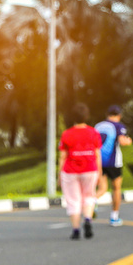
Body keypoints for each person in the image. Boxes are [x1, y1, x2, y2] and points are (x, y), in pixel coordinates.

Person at [58, 103, 102, 240]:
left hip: (70, 171)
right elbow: (97, 155)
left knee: (73, 200)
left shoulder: (67, 134)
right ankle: (88, 219)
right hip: (90, 169)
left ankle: (76, 230)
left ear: (73, 117)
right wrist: (99, 173)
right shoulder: (94, 133)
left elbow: (62, 157)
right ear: (86, 116)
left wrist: (59, 175)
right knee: (89, 196)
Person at [95, 105, 132, 227]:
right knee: (116, 188)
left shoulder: (98, 126)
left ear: (107, 114)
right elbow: (122, 141)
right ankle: (114, 217)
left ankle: (93, 201)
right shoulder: (118, 126)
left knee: (102, 189)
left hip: (99, 161)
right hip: (113, 161)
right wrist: (129, 141)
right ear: (119, 116)